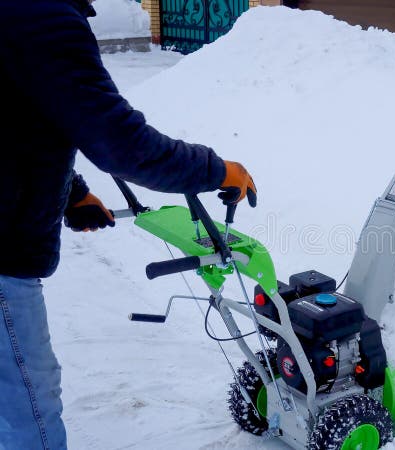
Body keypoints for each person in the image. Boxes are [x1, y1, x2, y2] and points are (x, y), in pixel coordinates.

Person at [0, 0, 258, 448]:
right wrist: (217, 170)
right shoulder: (41, 16)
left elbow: (20, 115)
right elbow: (122, 145)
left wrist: (72, 191)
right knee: (30, 407)